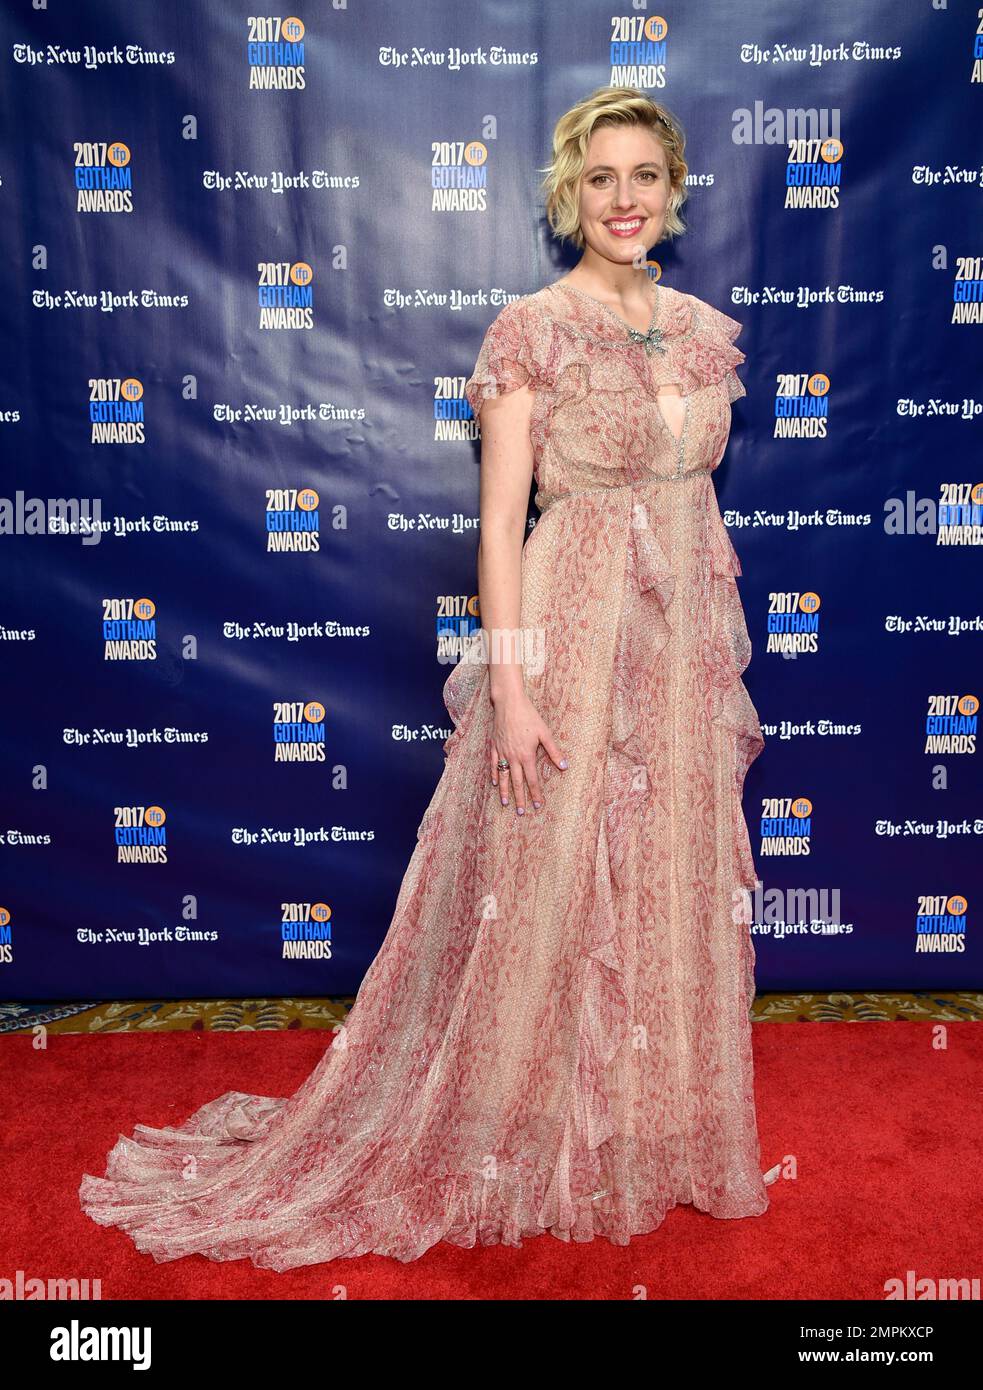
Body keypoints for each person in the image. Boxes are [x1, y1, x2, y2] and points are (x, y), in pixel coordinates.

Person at [79, 85, 775, 1270]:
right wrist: (511, 689)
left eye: (643, 177)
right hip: (566, 632)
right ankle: (515, 1138)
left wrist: (707, 657)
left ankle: (635, 1133)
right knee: (543, 882)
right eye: (599, 178)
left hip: (674, 655)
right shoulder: (530, 330)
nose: (622, 199)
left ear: (671, 191)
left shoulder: (704, 331)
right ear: (568, 196)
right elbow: (500, 527)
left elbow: (695, 506)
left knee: (661, 880)